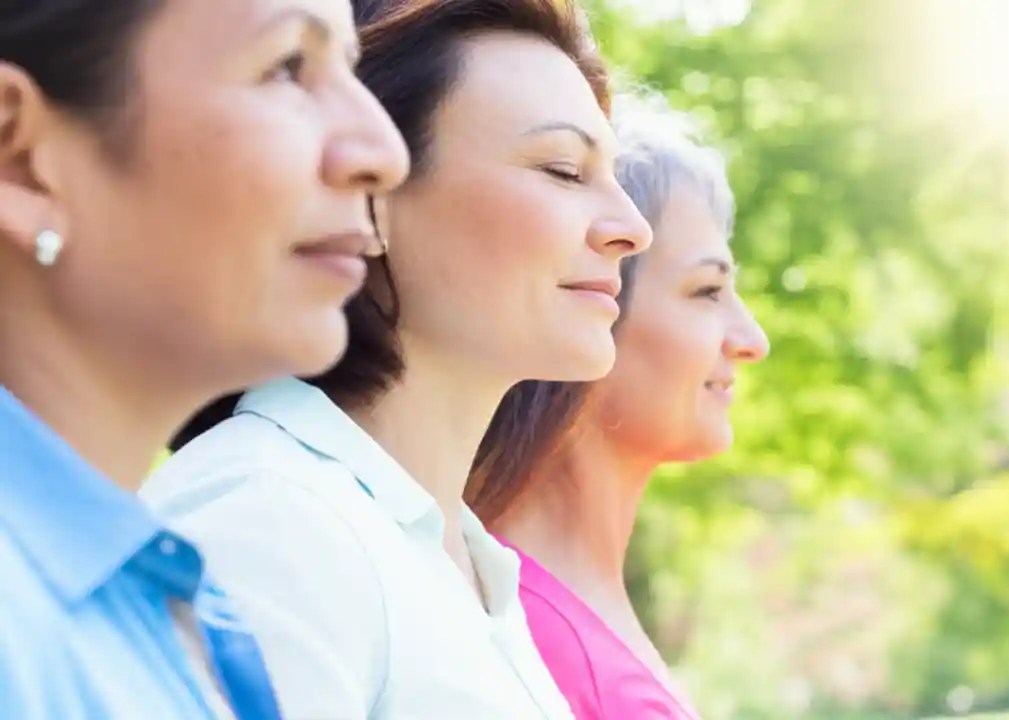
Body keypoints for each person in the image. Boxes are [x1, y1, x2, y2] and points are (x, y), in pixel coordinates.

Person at [142, 0, 652, 717]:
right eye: (564, 170)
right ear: (368, 195)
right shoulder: (271, 524)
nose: (632, 229)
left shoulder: (468, 566)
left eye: (617, 177)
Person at [0, 0, 408, 718]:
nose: (385, 152)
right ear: (21, 159)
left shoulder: (187, 615)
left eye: (350, 69)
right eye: (287, 67)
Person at [469, 90, 770, 720]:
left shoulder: (561, 605)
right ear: (594, 299)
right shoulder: (525, 630)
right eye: (707, 291)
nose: (751, 341)